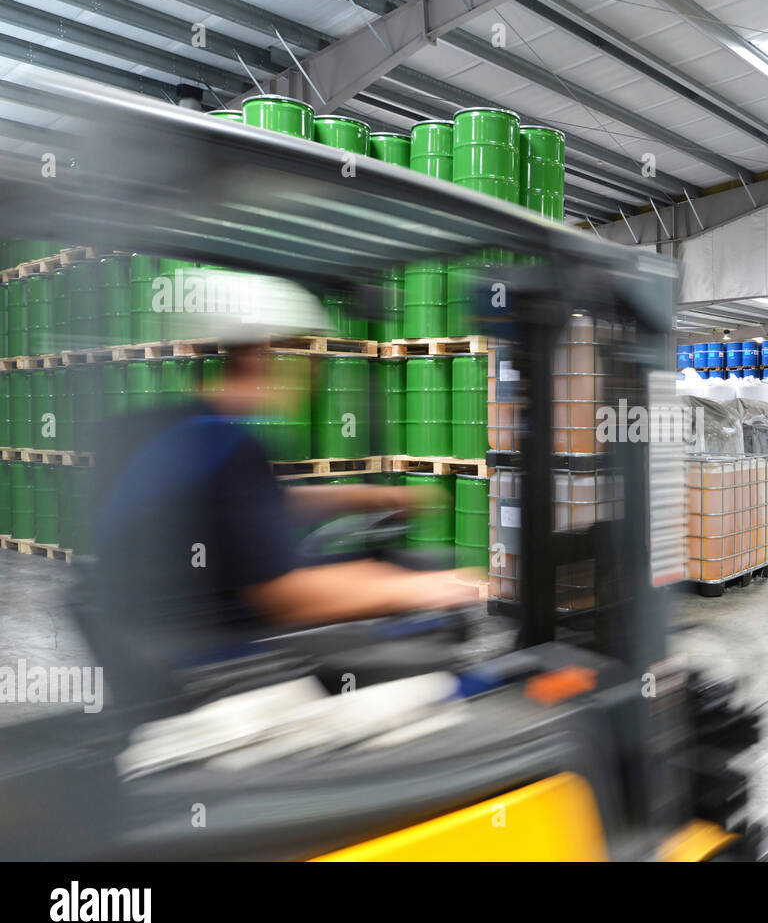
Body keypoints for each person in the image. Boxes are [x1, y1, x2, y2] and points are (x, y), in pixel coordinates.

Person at [87, 271, 480, 707]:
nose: (315, 371)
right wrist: (424, 586)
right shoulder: (228, 445)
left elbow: (249, 506)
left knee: (384, 571)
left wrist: (373, 496)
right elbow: (287, 599)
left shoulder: (184, 428)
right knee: (422, 646)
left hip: (168, 633)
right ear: (260, 354)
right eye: (303, 353)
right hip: (217, 663)